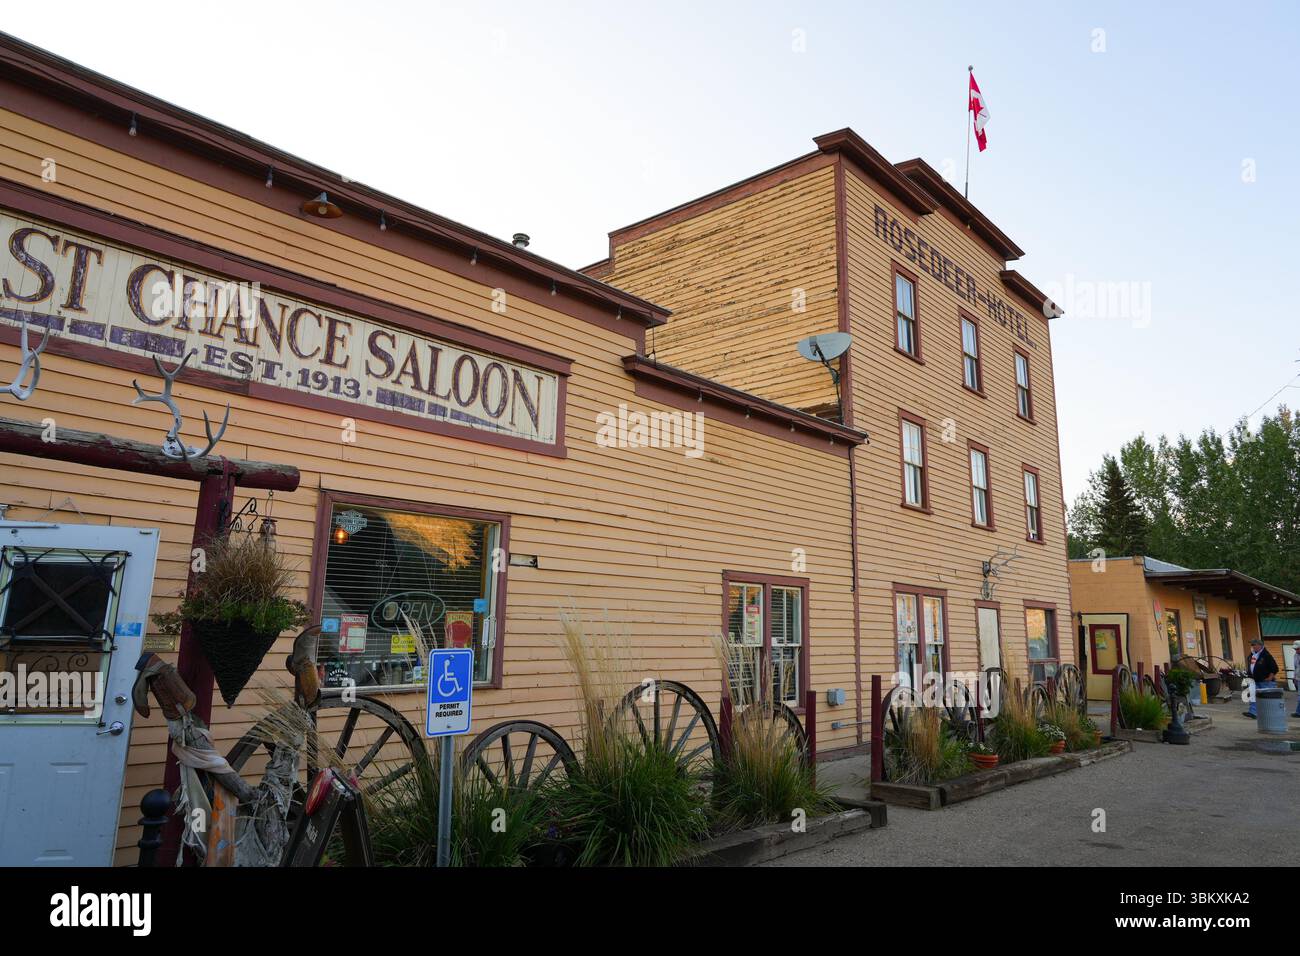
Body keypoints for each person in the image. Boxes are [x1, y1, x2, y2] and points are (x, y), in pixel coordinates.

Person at [1243, 637, 1278, 719]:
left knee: (1267, 697)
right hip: (1254, 680)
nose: (1252, 646)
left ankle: (1270, 714)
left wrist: (1270, 677)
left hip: (1264, 681)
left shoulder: (1266, 655)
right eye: (1252, 645)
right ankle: (1253, 712)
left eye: (1253, 645)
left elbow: (1274, 668)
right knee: (1252, 695)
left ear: (1260, 645)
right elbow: (1252, 666)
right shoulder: (1253, 655)